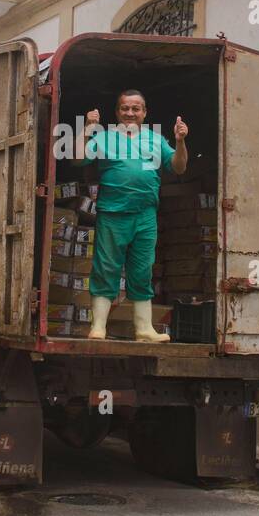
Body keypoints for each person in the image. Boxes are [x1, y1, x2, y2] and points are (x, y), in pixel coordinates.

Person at [74, 89, 188, 341]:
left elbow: (179, 167)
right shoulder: (104, 138)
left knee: (142, 270)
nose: (130, 113)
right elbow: (77, 159)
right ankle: (99, 327)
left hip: (145, 216)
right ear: (117, 112)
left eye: (136, 108)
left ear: (144, 113)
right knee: (106, 267)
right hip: (113, 213)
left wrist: (180, 141)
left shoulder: (156, 140)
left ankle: (144, 329)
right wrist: (88, 128)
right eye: (125, 108)